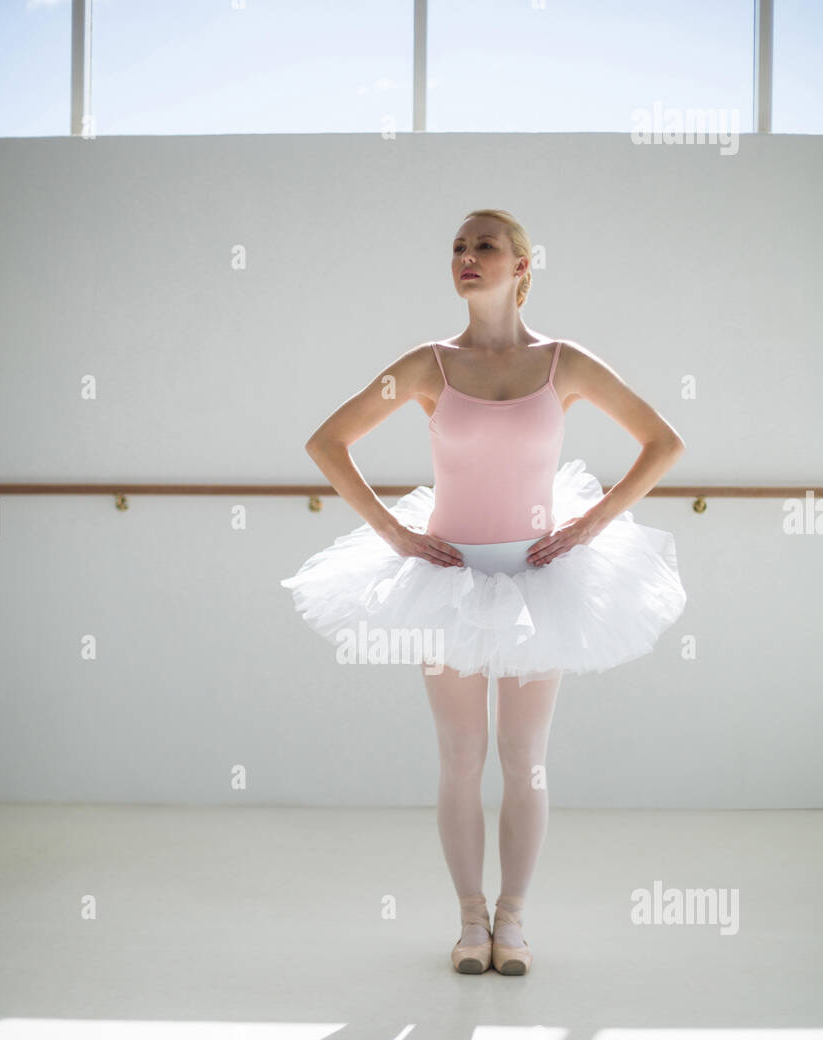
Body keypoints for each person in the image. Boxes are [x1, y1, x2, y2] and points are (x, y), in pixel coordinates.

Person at [280, 208, 687, 977]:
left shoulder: (563, 362)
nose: (468, 257)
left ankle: (515, 921)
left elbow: (664, 442)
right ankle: (470, 921)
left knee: (525, 758)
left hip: (540, 581)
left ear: (523, 266)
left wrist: (593, 523)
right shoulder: (429, 365)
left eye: (485, 246)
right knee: (461, 756)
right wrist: (395, 536)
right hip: (447, 583)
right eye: (459, 248)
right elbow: (327, 442)